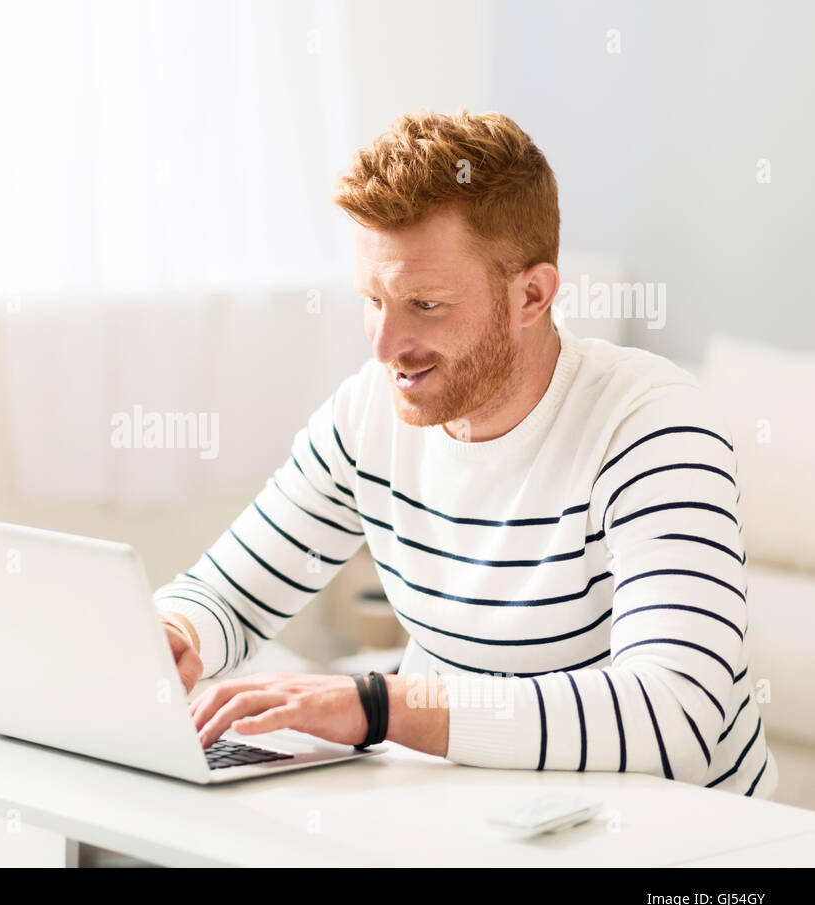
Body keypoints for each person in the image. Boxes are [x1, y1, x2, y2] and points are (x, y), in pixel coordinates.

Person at [156, 109, 775, 798]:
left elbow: (674, 722)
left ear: (532, 294)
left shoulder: (650, 423)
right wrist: (174, 635)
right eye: (373, 299)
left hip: (690, 851)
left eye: (425, 304)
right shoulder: (369, 414)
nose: (386, 346)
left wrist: (382, 704)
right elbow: (227, 597)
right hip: (486, 817)